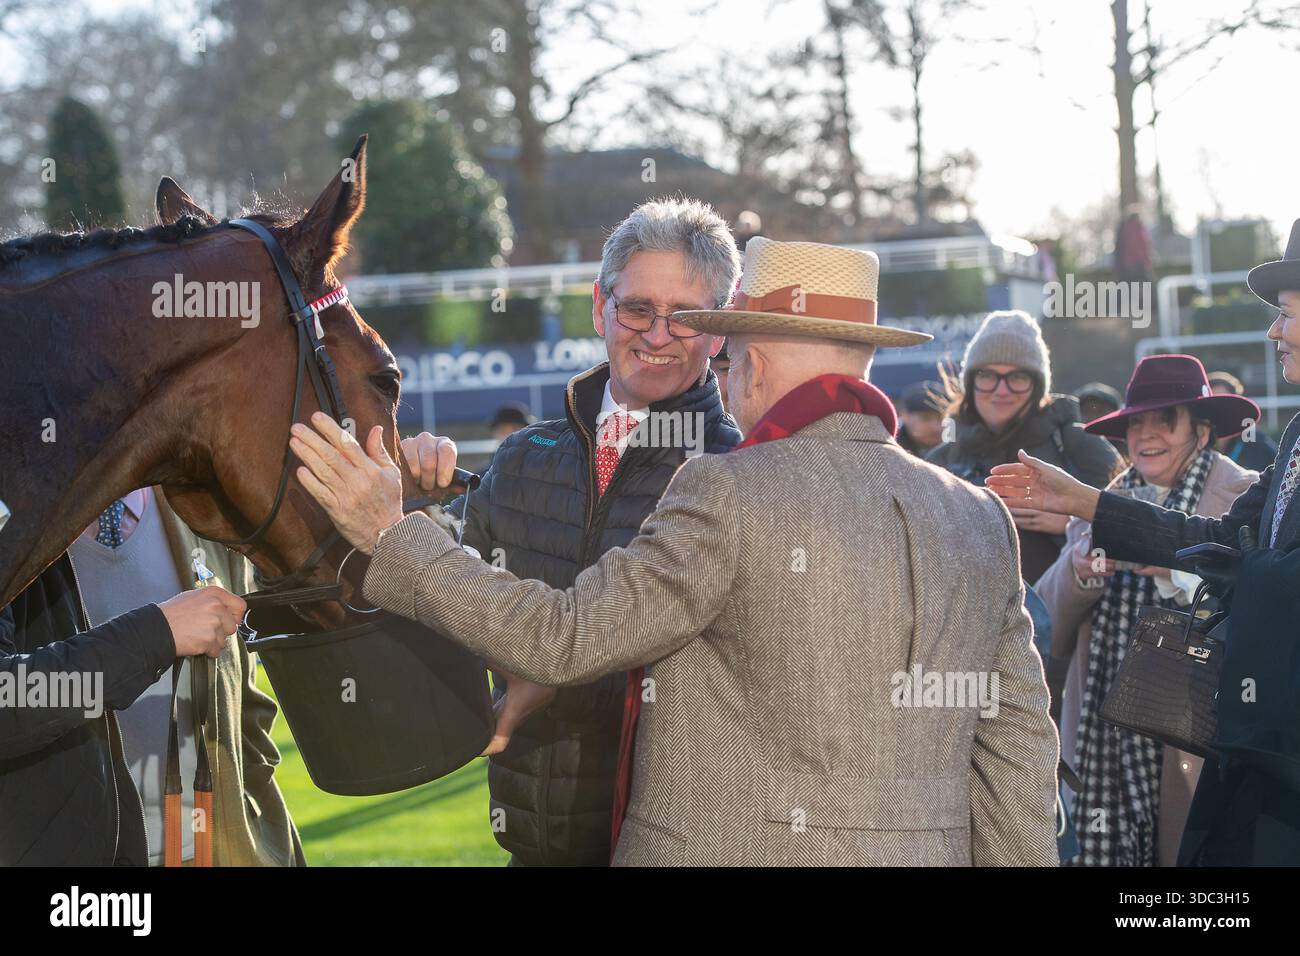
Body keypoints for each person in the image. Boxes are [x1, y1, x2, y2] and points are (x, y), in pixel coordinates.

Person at [291, 238, 1061, 867]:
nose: (721, 380)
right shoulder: (979, 517)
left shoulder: (726, 490)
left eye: (723, 360)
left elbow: (565, 638)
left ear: (750, 361)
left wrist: (391, 532)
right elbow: (1020, 761)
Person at [399, 198, 742, 866]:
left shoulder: (736, 474)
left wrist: (556, 677)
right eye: (638, 308)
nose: (659, 335)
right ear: (599, 308)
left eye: (688, 316)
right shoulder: (524, 457)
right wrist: (418, 511)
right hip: (528, 845)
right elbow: (442, 621)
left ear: (721, 332)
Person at [987, 218, 1300, 865]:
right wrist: (1086, 505)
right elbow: (1220, 540)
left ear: (1201, 429)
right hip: (1254, 760)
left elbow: (1240, 561)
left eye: (1290, 312)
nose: (1274, 330)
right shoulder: (1297, 438)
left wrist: (1205, 577)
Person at [1035, 355, 1258, 867]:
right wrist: (1081, 570)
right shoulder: (1104, 500)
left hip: (1199, 737)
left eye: (1164, 419)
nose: (1146, 435)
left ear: (1202, 432)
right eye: (1136, 422)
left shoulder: (1242, 494)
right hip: (1106, 739)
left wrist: (1176, 573)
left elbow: (1261, 602)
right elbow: (1045, 622)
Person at [1, 535, 252, 865]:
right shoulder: (23, 507)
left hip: (222, 849)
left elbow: (245, 696)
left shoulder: (193, 498)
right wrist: (158, 634)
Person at [928, 310, 1123, 581]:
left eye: (1018, 377)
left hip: (1060, 618)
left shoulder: (1078, 443)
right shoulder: (942, 460)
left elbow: (1129, 526)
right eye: (987, 375)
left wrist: (1073, 523)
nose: (1002, 389)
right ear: (970, 383)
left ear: (1037, 386)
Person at [1207, 370, 1278, 471]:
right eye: (1213, 402)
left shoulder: (1256, 442)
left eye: (1225, 402)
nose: (1219, 409)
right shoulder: (1194, 444)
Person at [896, 380, 946, 458]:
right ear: (905, 416)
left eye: (941, 418)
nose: (936, 427)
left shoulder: (958, 446)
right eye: (926, 418)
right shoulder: (892, 448)